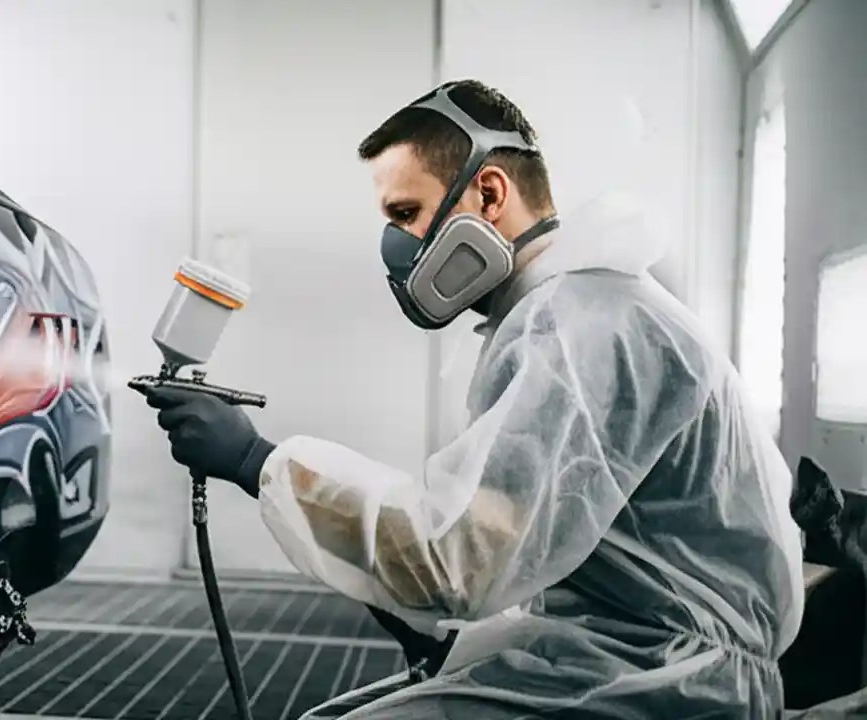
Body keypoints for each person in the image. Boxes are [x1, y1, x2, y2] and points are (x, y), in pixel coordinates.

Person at [140, 79, 806, 717]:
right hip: (636, 652)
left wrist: (256, 460)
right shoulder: (574, 310)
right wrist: (447, 638)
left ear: (489, 193)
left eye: (406, 213)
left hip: (667, 680)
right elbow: (518, 542)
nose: (394, 245)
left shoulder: (581, 323)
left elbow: (456, 558)